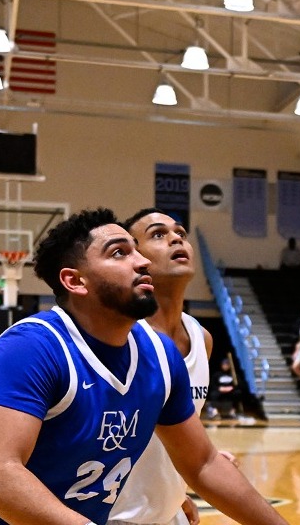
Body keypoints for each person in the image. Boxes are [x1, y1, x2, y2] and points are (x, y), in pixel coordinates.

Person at [0, 208, 286, 525]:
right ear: (75, 281)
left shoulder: (162, 355)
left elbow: (203, 464)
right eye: (120, 252)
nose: (142, 261)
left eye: (137, 250)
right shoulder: (31, 346)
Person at [109, 209, 216, 525]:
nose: (175, 238)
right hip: (109, 514)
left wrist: (174, 489)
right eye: (158, 234)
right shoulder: (120, 335)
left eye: (180, 233)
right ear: (134, 258)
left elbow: (172, 430)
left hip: (166, 514)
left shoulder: (202, 338)